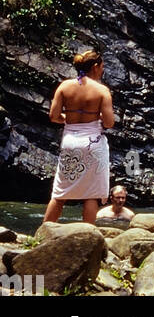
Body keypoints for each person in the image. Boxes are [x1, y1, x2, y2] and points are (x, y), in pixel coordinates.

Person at [44, 49, 114, 225]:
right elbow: (109, 122)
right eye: (102, 67)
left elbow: (53, 116)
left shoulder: (65, 87)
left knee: (60, 192)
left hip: (70, 141)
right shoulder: (101, 90)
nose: (103, 70)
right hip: (93, 143)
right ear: (96, 67)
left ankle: (42, 234)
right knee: (91, 194)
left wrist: (68, 119)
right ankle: (89, 237)